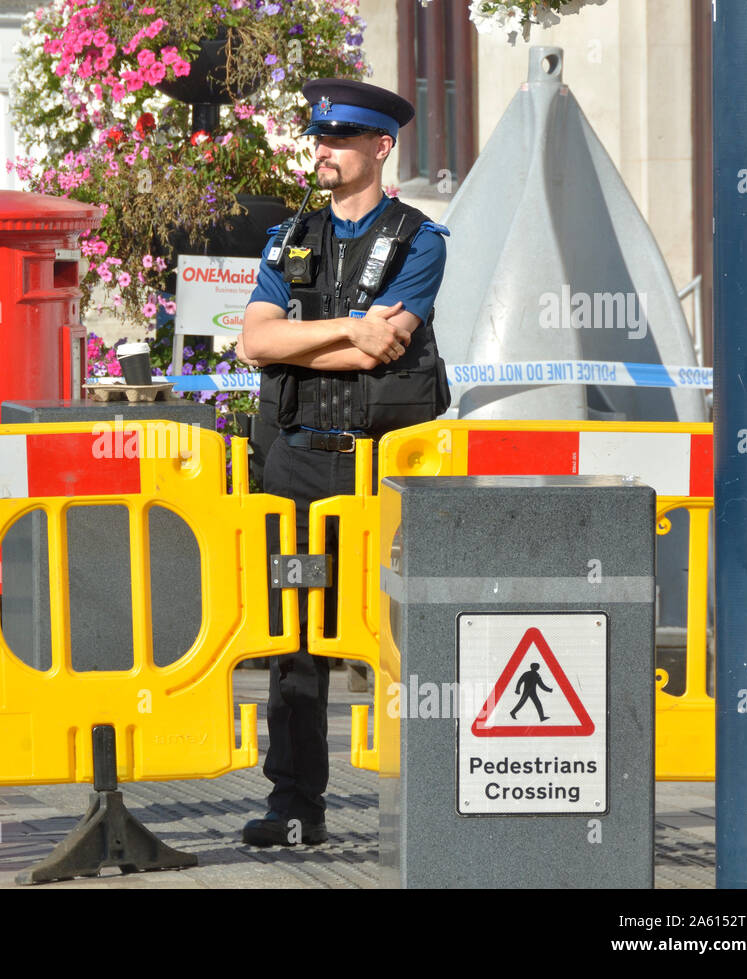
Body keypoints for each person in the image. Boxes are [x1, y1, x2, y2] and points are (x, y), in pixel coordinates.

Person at [235, 78, 450, 847]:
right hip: (297, 463)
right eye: (318, 138)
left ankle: (428, 798)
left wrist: (330, 334)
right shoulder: (291, 237)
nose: (321, 149)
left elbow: (390, 338)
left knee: (405, 633)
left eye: (339, 139)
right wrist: (350, 333)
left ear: (379, 148)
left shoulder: (419, 239)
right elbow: (255, 342)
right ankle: (295, 800)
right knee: (295, 640)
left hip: (384, 470)